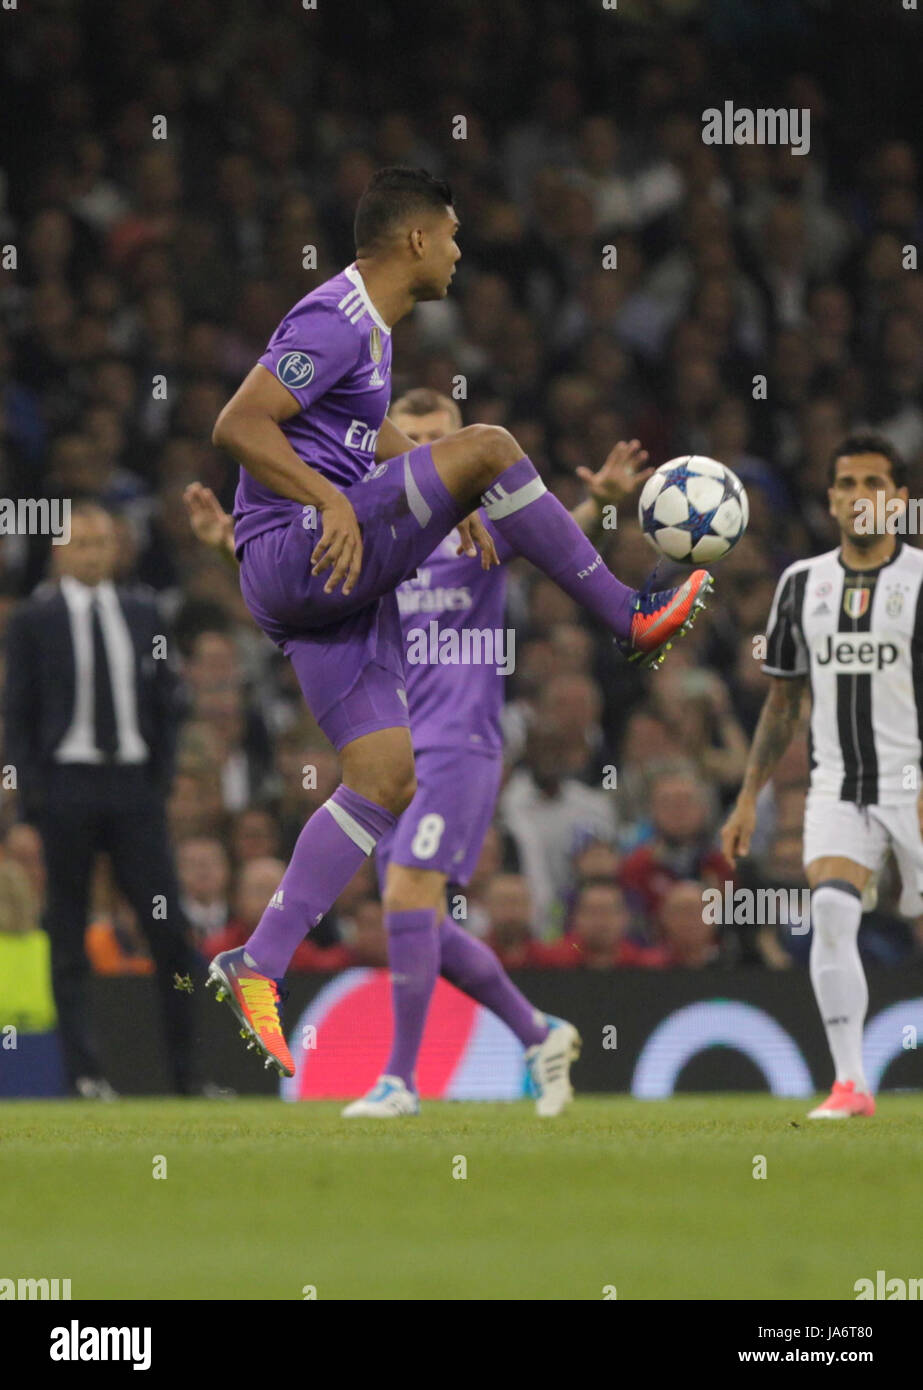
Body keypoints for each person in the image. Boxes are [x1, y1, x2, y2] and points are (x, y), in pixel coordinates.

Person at [204, 165, 713, 1081]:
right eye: (450, 234)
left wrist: (454, 494)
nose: (459, 250)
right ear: (413, 240)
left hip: (323, 596)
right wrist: (335, 504)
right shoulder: (333, 317)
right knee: (493, 445)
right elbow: (238, 424)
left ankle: (258, 960)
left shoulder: (376, 332)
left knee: (381, 775)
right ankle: (628, 619)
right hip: (300, 550)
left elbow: (367, 440)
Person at [186, 389, 650, 1115]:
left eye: (440, 439)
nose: (429, 454)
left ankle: (399, 1080)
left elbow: (543, 530)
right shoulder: (376, 544)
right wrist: (229, 544)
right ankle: (537, 1031)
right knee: (420, 918)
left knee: (406, 895)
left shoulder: (478, 531)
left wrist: (605, 506)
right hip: (393, 754)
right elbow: (304, 586)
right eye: (412, 438)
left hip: (461, 746)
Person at [722, 434, 923, 1119]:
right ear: (831, 498)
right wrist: (748, 796)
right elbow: (782, 702)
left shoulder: (921, 579)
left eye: (875, 483)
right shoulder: (800, 583)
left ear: (898, 500)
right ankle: (849, 1084)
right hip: (837, 782)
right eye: (847, 484)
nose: (860, 496)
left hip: (914, 780)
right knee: (833, 911)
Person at [2, 503, 199, 1097]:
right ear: (60, 551)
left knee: (171, 933)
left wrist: (160, 775)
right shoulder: (34, 621)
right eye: (80, 543)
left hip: (133, 786)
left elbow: (167, 700)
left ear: (116, 549)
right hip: (66, 786)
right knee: (67, 936)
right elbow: (18, 714)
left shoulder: (146, 614)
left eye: (101, 543)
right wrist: (26, 802)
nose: (92, 553)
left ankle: (187, 1079)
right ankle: (85, 1075)